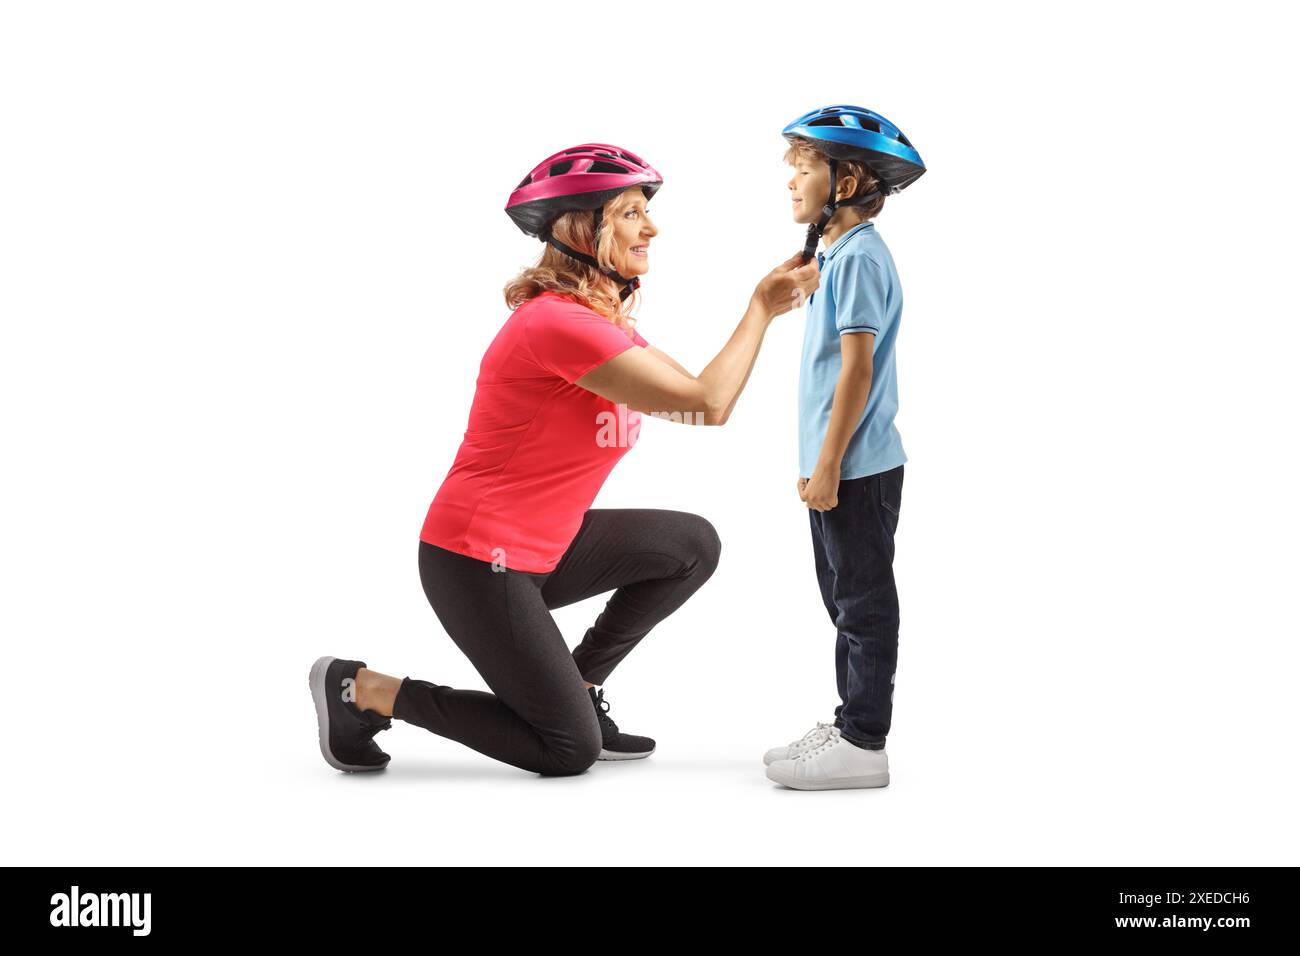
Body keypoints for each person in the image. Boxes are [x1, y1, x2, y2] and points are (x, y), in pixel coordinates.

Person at [310, 143, 819, 777]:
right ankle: (362, 690)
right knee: (566, 750)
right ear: (583, 227)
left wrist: (764, 313)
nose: (652, 228)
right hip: (476, 560)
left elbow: (691, 403)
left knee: (692, 543)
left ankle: (573, 689)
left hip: (547, 548)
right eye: (632, 212)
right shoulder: (556, 326)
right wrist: (762, 308)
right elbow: (707, 404)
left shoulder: (596, 320)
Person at [762, 105, 926, 791]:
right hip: (834, 464)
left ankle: (865, 742)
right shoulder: (837, 254)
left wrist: (828, 465)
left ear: (849, 178)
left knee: (863, 604)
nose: (791, 179)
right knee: (842, 602)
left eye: (805, 166)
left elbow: (856, 371)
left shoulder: (859, 260)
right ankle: (847, 721)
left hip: (854, 467)